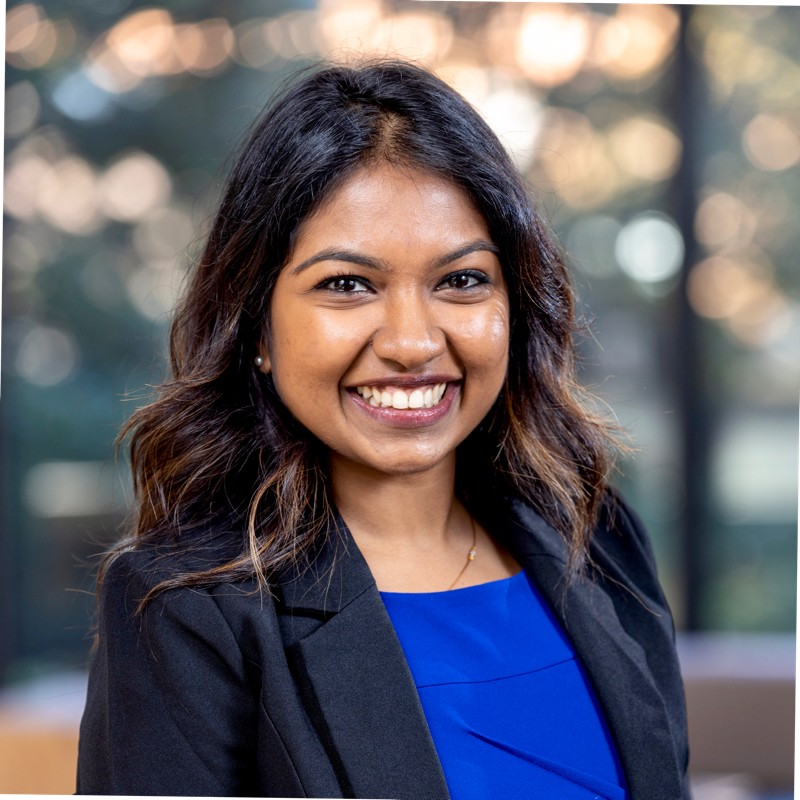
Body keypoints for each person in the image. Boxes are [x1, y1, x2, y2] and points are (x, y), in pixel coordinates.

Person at [76, 60, 690, 799]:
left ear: (516, 306)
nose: (411, 342)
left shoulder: (597, 537)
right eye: (347, 285)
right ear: (257, 327)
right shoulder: (183, 605)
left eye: (461, 280)